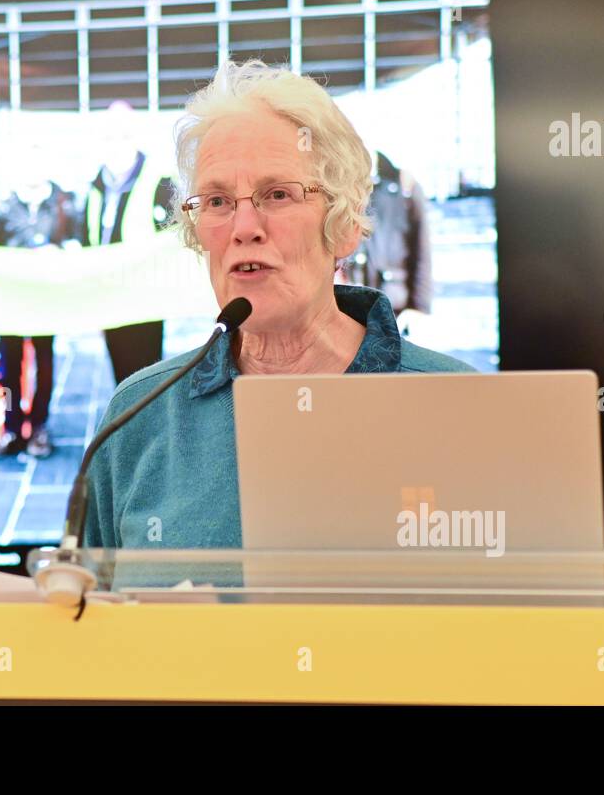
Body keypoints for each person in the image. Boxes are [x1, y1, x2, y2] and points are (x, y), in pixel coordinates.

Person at [83, 59, 473, 549]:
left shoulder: (462, 409)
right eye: (218, 202)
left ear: (346, 224)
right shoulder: (139, 416)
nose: (244, 227)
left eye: (277, 193)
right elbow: (87, 613)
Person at [82, 100, 178, 384]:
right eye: (110, 136)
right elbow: (89, 242)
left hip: (145, 299)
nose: (116, 143)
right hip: (110, 298)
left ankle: (149, 427)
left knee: (148, 375)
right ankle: (128, 426)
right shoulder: (96, 186)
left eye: (123, 135)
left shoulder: (159, 179)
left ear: (135, 136)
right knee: (121, 378)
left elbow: (174, 236)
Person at [0, 180, 78, 458]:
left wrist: (62, 252)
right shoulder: (5, 207)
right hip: (10, 298)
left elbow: (76, 242)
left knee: (44, 362)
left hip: (45, 298)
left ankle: (39, 426)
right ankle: (12, 427)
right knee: (10, 365)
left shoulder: (63, 204)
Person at [347, 151, 434, 335]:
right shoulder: (340, 185)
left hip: (394, 309)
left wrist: (419, 307)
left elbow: (422, 252)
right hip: (349, 310)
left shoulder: (404, 186)